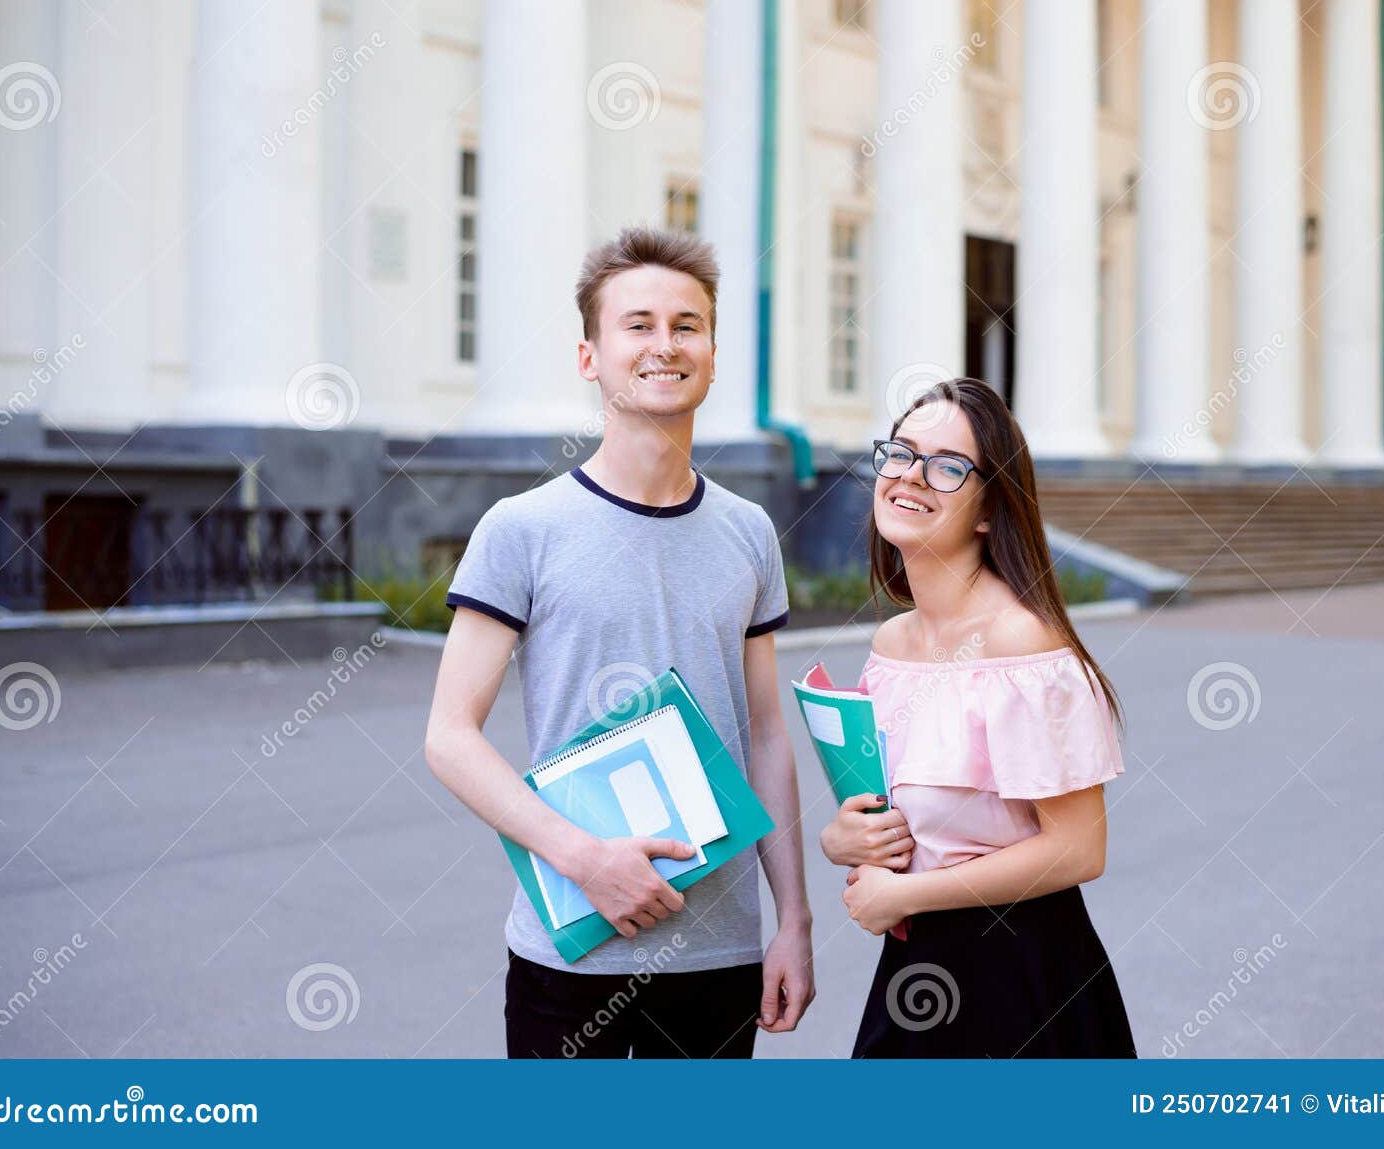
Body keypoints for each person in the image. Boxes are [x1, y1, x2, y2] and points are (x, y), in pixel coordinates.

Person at [425, 226, 815, 1058]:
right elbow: (449, 736)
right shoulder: (521, 530)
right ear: (590, 355)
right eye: (637, 324)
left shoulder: (749, 533)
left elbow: (768, 734)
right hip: (573, 941)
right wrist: (584, 856)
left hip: (721, 951)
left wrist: (795, 921)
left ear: (711, 351)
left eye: (687, 324)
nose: (664, 345)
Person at [820, 376, 1137, 1058]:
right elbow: (903, 815)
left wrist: (906, 895)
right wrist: (847, 839)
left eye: (948, 466)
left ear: (990, 509)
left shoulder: (1024, 646)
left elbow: (1079, 848)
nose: (911, 476)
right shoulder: (892, 646)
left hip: (1021, 981)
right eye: (901, 453)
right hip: (914, 971)